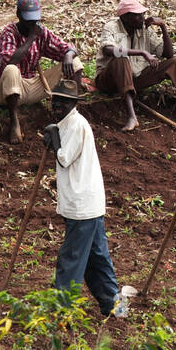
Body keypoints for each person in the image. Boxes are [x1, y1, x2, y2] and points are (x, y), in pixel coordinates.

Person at [41, 79, 124, 317]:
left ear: (73, 103)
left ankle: (61, 312)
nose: (57, 105)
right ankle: (117, 308)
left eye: (63, 102)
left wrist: (53, 138)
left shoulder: (76, 125)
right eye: (55, 100)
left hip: (82, 205)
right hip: (85, 204)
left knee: (71, 259)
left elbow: (64, 157)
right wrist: (54, 135)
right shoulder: (66, 123)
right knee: (97, 260)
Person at [0, 0, 81, 144]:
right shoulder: (9, 33)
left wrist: (68, 55)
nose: (32, 24)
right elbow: (11, 61)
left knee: (75, 62)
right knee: (11, 69)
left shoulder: (42, 31)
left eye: (35, 20)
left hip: (33, 85)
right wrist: (31, 38)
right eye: (28, 20)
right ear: (18, 15)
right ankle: (14, 121)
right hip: (9, 90)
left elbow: (68, 48)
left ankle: (73, 112)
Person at [94, 0, 176, 132]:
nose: (143, 18)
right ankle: (132, 116)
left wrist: (163, 27)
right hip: (109, 81)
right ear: (125, 17)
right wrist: (142, 52)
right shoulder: (112, 26)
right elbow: (108, 50)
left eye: (143, 14)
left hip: (134, 78)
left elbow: (168, 54)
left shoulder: (144, 29)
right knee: (121, 57)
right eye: (138, 16)